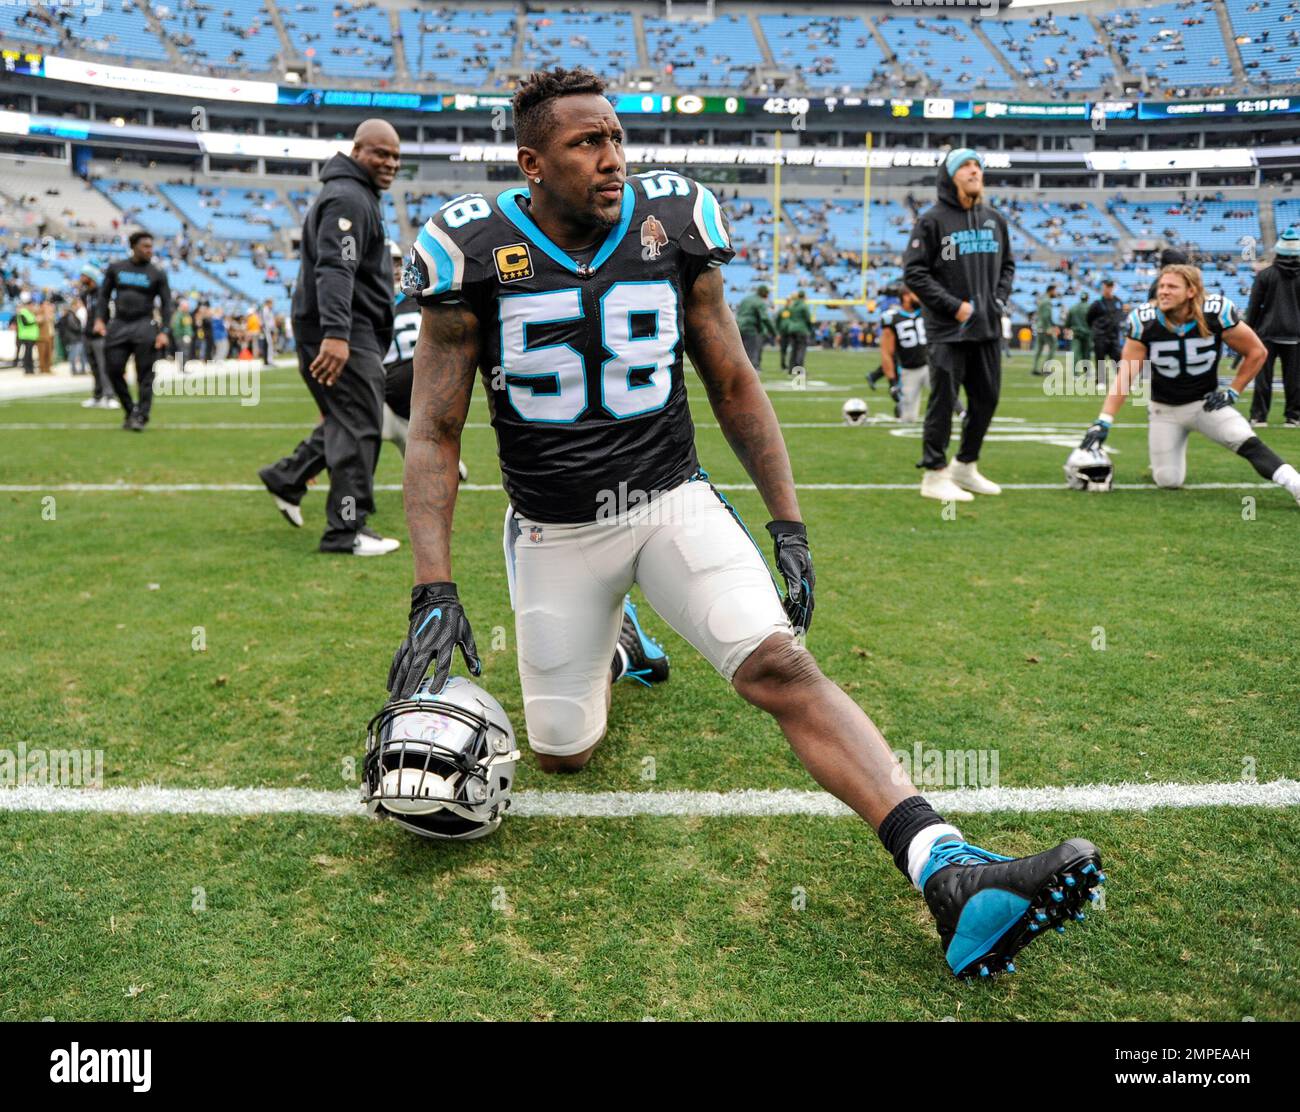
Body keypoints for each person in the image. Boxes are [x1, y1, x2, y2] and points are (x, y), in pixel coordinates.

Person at [392, 67, 1103, 980]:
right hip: (555, 530)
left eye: (616, 138)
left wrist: (788, 523)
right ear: (531, 162)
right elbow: (434, 431)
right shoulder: (469, 248)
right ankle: (614, 636)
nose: (612, 160)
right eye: (586, 144)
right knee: (564, 753)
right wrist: (433, 586)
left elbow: (731, 379)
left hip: (669, 500)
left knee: (778, 663)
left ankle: (950, 869)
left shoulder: (675, 222)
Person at [258, 119, 403, 556]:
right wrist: (337, 335)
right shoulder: (347, 196)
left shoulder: (355, 194)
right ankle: (346, 530)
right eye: (381, 154)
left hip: (343, 328)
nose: (390, 163)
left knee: (348, 420)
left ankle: (287, 477)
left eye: (396, 157)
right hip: (345, 330)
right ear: (358, 150)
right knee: (360, 424)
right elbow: (335, 268)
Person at [1079, 263, 1300, 505]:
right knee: (1168, 480)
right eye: (1162, 285)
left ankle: (1295, 484)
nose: (1163, 291)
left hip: (1204, 404)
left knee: (1242, 436)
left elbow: (1257, 352)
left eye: (1172, 287)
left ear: (1191, 291)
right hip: (1164, 409)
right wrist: (1104, 420)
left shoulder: (1215, 313)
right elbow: (1126, 374)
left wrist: (1233, 392)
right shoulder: (1144, 321)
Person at [903, 147, 1015, 502]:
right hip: (948, 330)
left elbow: (1008, 265)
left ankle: (965, 465)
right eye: (965, 166)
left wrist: (997, 301)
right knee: (943, 400)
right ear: (949, 177)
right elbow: (914, 273)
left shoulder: (995, 219)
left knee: (986, 399)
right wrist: (955, 308)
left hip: (987, 328)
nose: (973, 171)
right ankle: (934, 474)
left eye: (977, 166)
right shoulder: (932, 220)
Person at [93, 230, 173, 431]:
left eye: (151, 246)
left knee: (145, 375)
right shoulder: (116, 268)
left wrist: (164, 331)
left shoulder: (157, 273)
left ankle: (141, 416)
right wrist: (100, 319)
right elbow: (103, 296)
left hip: (144, 325)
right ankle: (130, 410)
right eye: (145, 246)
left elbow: (166, 304)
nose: (149, 250)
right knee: (113, 369)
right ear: (133, 247)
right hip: (119, 324)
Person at [1245, 227, 1300, 428]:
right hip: (1295, 335)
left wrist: (1247, 332)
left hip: (1266, 334)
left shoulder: (1265, 275)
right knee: (1294, 379)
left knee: (1263, 378)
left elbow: (1253, 307)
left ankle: (1259, 417)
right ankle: (1293, 416)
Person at [878, 285, 929, 422]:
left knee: (945, 391)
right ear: (906, 296)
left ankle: (961, 412)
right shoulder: (892, 318)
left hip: (930, 364)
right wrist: (892, 382)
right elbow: (886, 353)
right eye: (915, 294)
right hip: (908, 370)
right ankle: (901, 407)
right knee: (908, 418)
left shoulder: (926, 311)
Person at [78, 265, 116, 409]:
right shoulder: (86, 294)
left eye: (84, 275)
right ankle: (97, 396)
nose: (81, 278)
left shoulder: (103, 294)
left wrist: (108, 330)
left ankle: (110, 396)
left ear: (91, 277)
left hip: (101, 335)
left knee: (104, 366)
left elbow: (111, 313)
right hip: (88, 335)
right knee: (94, 367)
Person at [1087, 278, 1125, 384]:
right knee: (1100, 359)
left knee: (1118, 359)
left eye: (1110, 287)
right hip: (1100, 336)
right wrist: (1097, 330)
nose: (1108, 289)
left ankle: (1123, 381)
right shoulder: (1097, 303)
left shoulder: (1118, 302)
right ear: (1103, 287)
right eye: (1106, 287)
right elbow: (1089, 318)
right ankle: (1101, 381)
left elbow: (1121, 315)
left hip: (1114, 335)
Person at [734, 284, 776, 373]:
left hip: (738, 327)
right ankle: (749, 372)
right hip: (750, 328)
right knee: (751, 351)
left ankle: (738, 370)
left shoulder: (746, 299)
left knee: (741, 351)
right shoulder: (759, 302)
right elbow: (765, 319)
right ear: (764, 293)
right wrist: (774, 332)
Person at [782, 288, 814, 375]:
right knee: (801, 350)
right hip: (801, 329)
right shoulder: (803, 306)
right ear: (803, 296)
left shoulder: (792, 305)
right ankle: (799, 370)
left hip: (792, 329)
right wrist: (810, 329)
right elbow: (808, 319)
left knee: (793, 350)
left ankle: (791, 369)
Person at [1031, 283, 1058, 376]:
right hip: (1044, 328)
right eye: (1055, 291)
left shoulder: (1042, 299)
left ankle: (1034, 368)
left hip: (1039, 327)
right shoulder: (1047, 301)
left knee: (1038, 348)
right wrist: (1048, 328)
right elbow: (1046, 316)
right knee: (1054, 345)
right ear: (1050, 291)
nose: (1056, 293)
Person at [1065, 290, 1093, 375]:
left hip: (1076, 333)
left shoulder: (1073, 307)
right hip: (1088, 333)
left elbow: (1067, 322)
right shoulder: (1090, 307)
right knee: (1086, 353)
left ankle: (1074, 373)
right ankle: (1087, 372)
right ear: (1087, 298)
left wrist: (1068, 328)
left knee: (1075, 353)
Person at [58, 296, 86, 376]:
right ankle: (74, 370)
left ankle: (80, 370)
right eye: (76, 305)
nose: (77, 306)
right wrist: (81, 329)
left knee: (79, 354)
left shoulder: (72, 314)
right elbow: (74, 326)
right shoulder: (71, 315)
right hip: (74, 337)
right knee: (74, 354)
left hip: (74, 337)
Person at [13, 292, 37, 374]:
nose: (32, 306)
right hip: (27, 336)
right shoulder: (23, 313)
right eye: (31, 305)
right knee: (27, 354)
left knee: (29, 354)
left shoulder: (28, 313)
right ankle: (27, 368)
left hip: (31, 336)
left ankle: (30, 368)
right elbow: (25, 323)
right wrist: (35, 321)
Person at [35, 295, 55, 375]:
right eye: (46, 305)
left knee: (49, 353)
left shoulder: (51, 314)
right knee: (42, 353)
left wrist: (50, 315)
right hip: (42, 337)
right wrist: (44, 317)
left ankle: (48, 368)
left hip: (50, 336)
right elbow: (37, 321)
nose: (48, 306)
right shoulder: (39, 313)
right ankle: (42, 368)